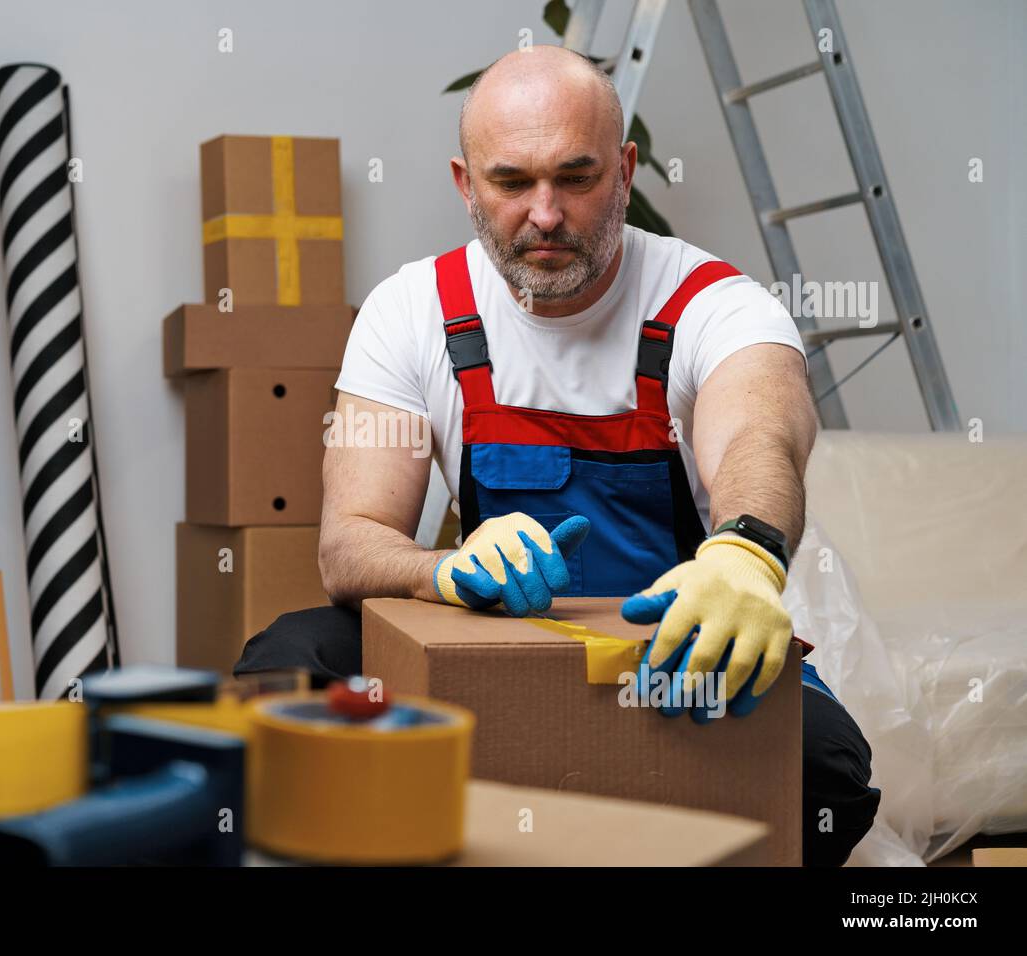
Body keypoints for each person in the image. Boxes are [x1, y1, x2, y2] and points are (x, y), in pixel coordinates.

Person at [235, 45, 880, 866]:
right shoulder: (411, 312)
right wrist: (445, 570)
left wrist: (746, 553)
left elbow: (760, 434)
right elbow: (350, 541)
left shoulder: (714, 304)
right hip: (484, 648)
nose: (545, 213)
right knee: (285, 668)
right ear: (468, 184)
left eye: (577, 178)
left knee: (822, 767)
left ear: (626, 170)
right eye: (511, 182)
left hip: (666, 655)